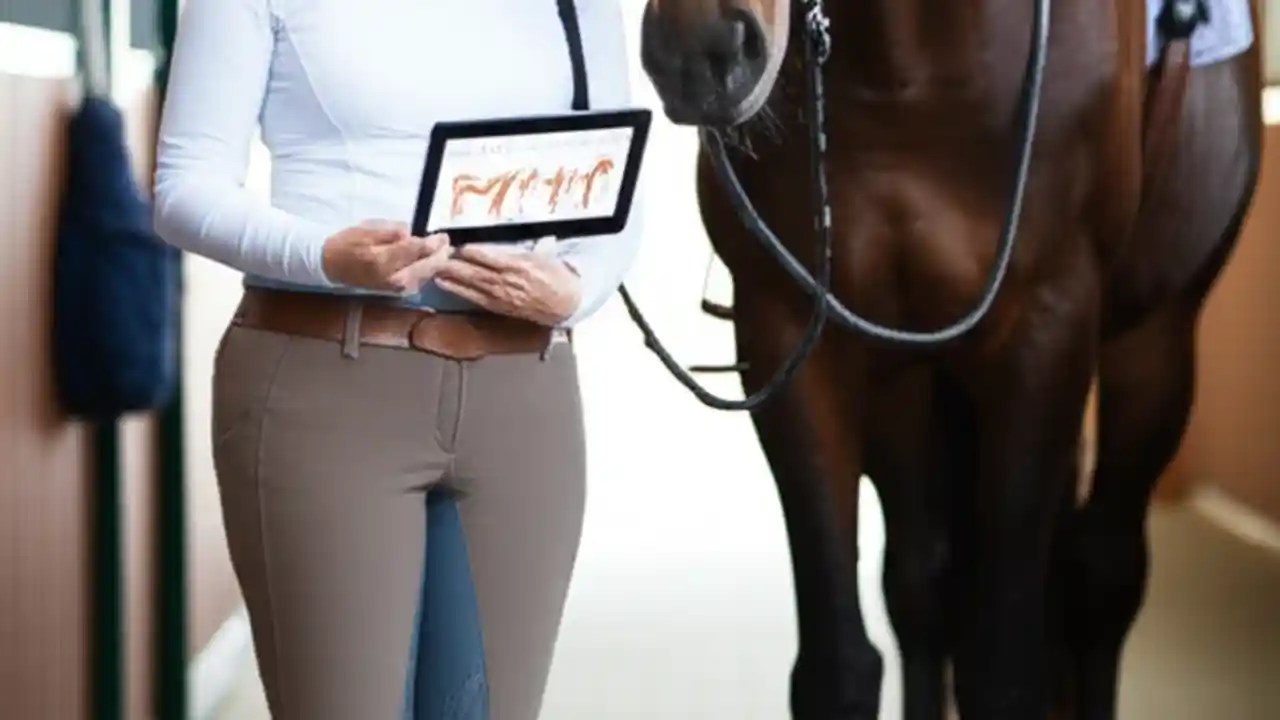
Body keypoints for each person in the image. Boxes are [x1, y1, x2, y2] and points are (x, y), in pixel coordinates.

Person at [151, 1, 643, 718]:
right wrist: (327, 255)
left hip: (524, 392)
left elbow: (613, 179)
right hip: (327, 383)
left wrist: (577, 289)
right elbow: (183, 188)